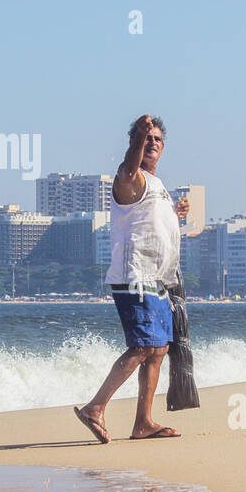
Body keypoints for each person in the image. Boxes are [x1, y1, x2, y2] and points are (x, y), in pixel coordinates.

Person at [75, 114, 187, 442]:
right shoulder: (128, 177)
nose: (152, 143)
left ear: (164, 148)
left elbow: (151, 221)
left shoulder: (158, 186)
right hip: (134, 277)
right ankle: (95, 408)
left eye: (157, 139)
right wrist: (139, 134)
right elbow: (129, 164)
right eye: (146, 138)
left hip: (158, 280)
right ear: (135, 142)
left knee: (159, 349)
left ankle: (143, 423)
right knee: (142, 346)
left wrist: (176, 215)